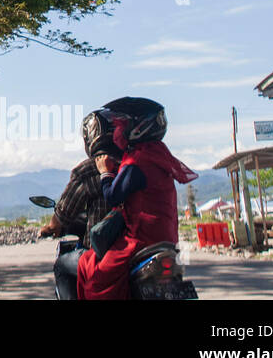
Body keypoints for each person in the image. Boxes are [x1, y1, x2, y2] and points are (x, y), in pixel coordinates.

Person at [77, 97, 198, 300]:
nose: (118, 131)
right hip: (167, 239)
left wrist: (104, 172)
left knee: (91, 271)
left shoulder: (137, 160)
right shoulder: (159, 156)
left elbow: (113, 197)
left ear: (138, 128)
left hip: (140, 240)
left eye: (122, 125)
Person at [41, 109, 119, 299]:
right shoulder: (133, 162)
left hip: (100, 252)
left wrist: (51, 227)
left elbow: (63, 213)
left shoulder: (88, 170)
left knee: (61, 265)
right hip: (139, 245)